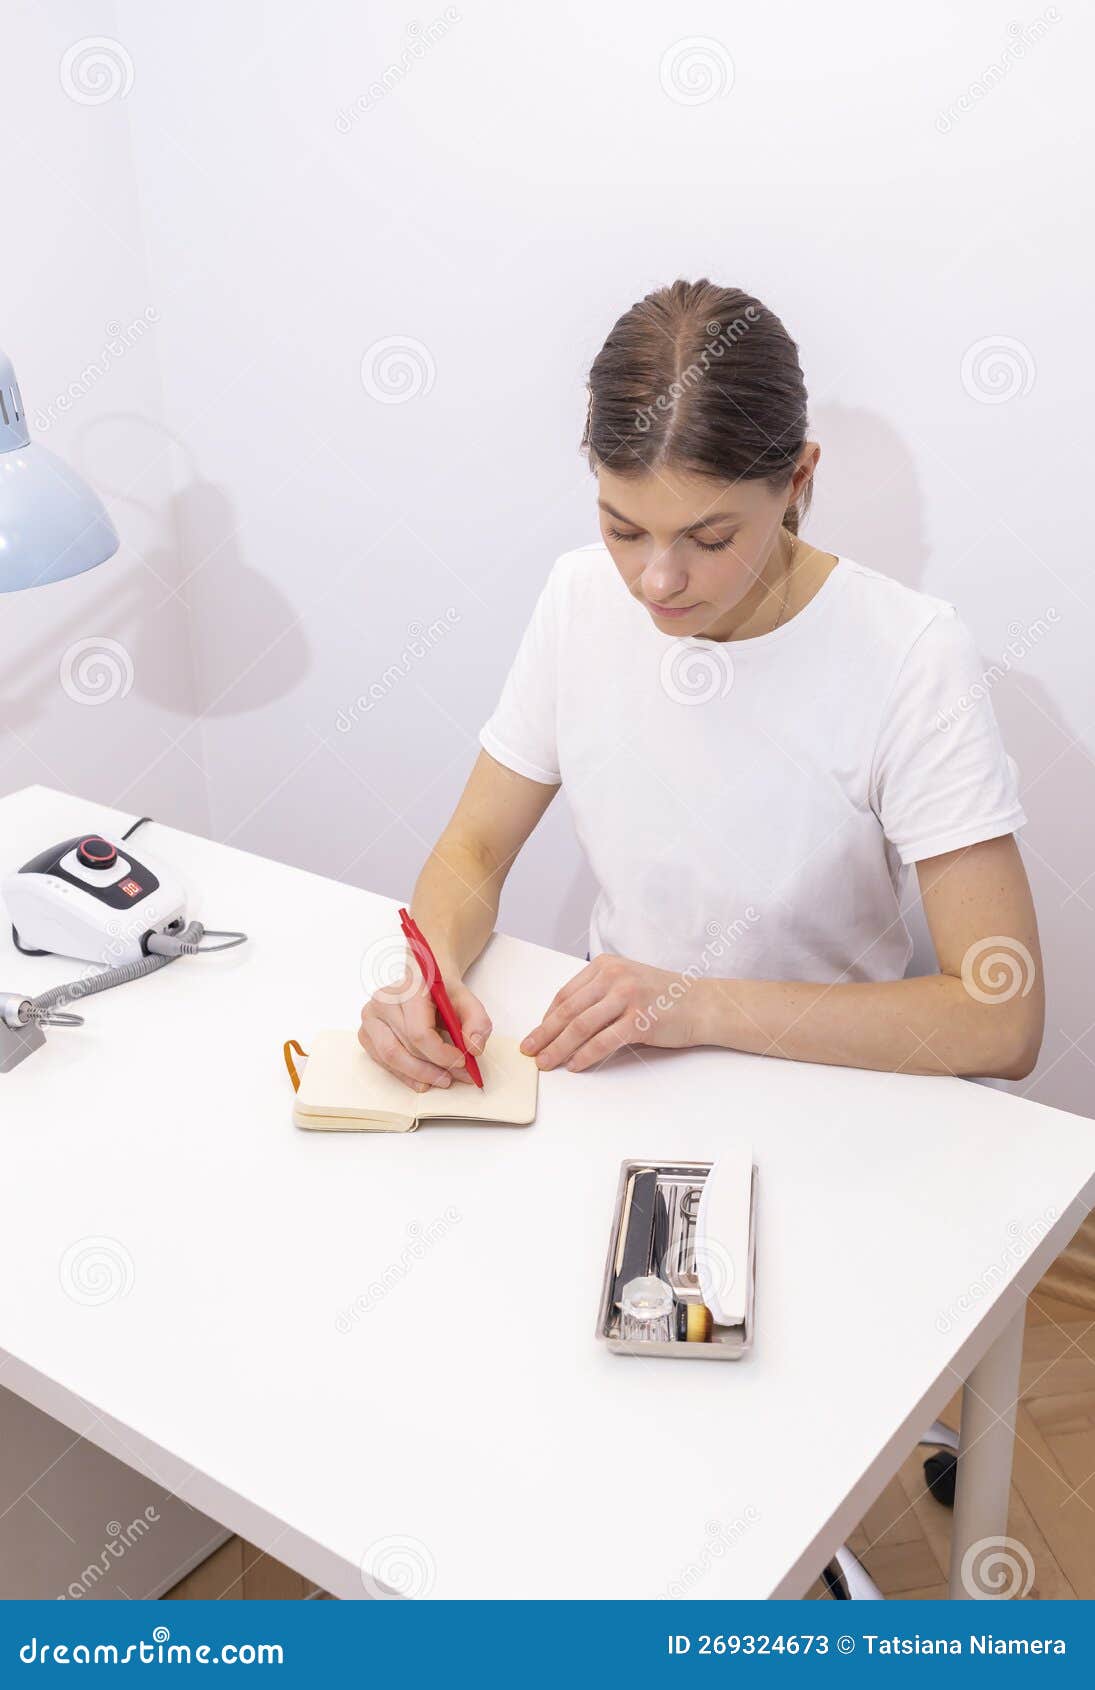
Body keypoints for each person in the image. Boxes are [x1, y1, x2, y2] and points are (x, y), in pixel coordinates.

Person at [358, 279, 1043, 1093]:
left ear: (795, 482)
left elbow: (1001, 1020)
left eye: (708, 537)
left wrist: (692, 1007)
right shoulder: (579, 597)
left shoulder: (911, 654)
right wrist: (425, 974)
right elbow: (473, 849)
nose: (655, 581)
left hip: (829, 1085)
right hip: (620, 1065)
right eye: (622, 529)